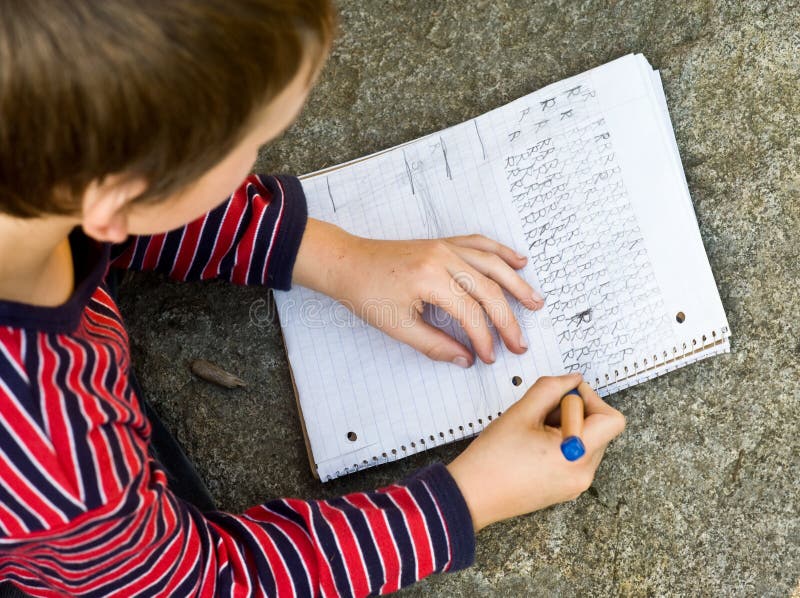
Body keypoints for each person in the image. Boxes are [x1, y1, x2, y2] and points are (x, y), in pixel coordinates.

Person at [0, 1, 626, 596]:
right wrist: (465, 500)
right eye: (249, 144)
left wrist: (329, 255)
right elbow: (205, 584)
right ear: (120, 199)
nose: (258, 158)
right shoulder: (61, 467)